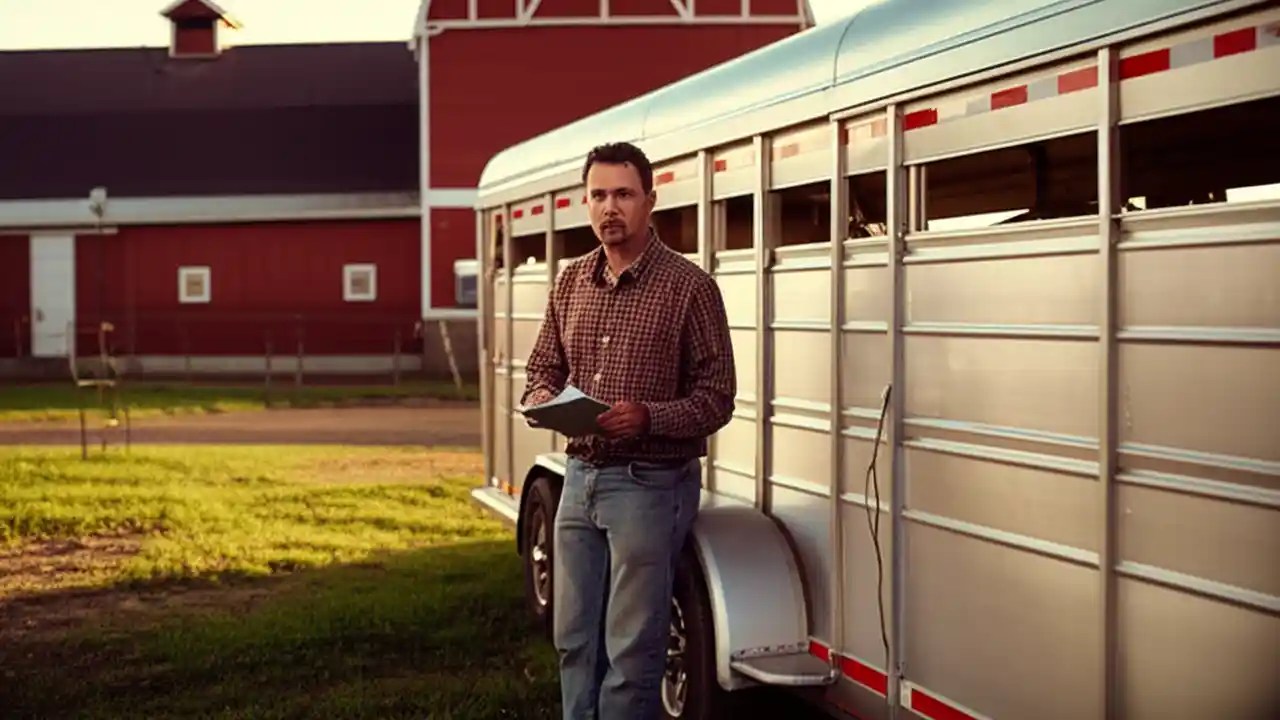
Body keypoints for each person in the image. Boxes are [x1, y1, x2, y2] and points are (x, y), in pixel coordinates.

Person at [520, 141, 736, 719]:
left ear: (650, 201)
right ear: (584, 203)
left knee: (632, 651)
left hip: (650, 483)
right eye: (598, 195)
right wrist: (542, 401)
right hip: (580, 477)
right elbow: (541, 369)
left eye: (623, 194)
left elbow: (718, 398)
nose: (609, 207)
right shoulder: (570, 283)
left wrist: (649, 416)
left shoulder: (689, 288)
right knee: (574, 640)